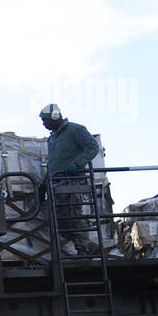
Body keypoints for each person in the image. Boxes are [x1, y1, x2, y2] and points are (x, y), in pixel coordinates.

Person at [39, 103, 101, 256]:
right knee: (59, 220)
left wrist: (76, 163)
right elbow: (52, 162)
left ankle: (84, 250)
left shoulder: (76, 130)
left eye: (45, 120)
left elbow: (92, 147)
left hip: (73, 180)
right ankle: (89, 246)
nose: (43, 124)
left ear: (55, 117)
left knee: (74, 215)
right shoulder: (52, 138)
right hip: (56, 182)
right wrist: (44, 184)